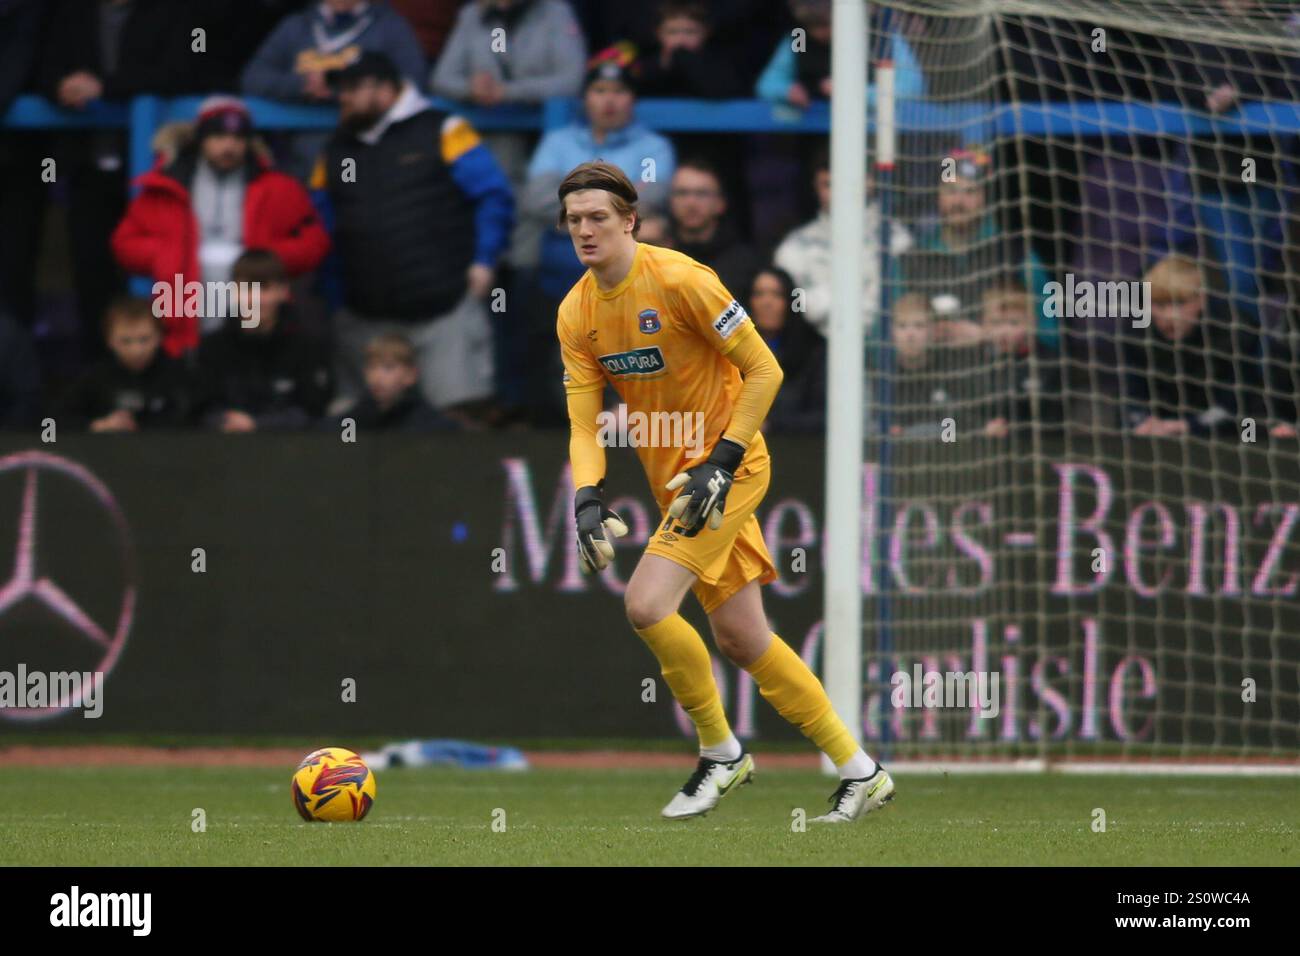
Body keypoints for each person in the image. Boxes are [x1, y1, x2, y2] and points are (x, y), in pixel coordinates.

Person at [556, 160, 893, 823]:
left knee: (647, 604)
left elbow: (764, 368)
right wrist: (587, 496)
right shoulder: (576, 313)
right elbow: (583, 422)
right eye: (573, 221)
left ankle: (720, 752)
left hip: (727, 470)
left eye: (598, 217)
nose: (585, 231)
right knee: (742, 638)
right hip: (675, 482)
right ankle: (863, 771)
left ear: (630, 220)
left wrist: (723, 458)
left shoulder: (682, 279)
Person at [311, 52, 515, 416]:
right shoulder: (336, 149)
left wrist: (485, 260)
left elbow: (493, 196)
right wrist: (333, 298)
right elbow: (322, 223)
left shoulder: (445, 129)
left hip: (443, 310)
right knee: (358, 430)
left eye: (352, 88)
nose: (343, 97)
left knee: (457, 423)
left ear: (385, 89)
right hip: (365, 318)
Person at [111, 96, 331, 356]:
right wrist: (166, 255)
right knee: (188, 372)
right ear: (200, 139)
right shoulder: (167, 186)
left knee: (249, 364)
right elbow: (125, 242)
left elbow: (314, 241)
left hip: (253, 305)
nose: (229, 146)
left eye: (238, 139)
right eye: (218, 137)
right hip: (183, 302)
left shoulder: (279, 187)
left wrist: (269, 261)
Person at [1119, 255, 1267, 438]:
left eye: (1179, 304)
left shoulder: (1235, 331)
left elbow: (1236, 404)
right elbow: (1132, 396)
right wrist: (1141, 421)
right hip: (1163, 432)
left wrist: (1189, 425)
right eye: (1159, 305)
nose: (1169, 316)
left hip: (1230, 431)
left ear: (1201, 299)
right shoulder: (1137, 334)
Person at [773, 147, 911, 339]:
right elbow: (794, 307)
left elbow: (906, 302)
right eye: (828, 185)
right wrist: (824, 302)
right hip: (816, 350)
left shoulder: (896, 238)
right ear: (815, 187)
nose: (837, 193)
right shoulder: (793, 248)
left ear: (868, 182)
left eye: (845, 183)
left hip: (884, 352)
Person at [194, 250, 334, 433]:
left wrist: (258, 425)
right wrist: (226, 422)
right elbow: (198, 412)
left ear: (283, 291)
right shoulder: (212, 348)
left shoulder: (307, 348)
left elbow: (314, 412)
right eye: (248, 289)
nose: (256, 299)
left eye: (264, 288)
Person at [58, 297, 193, 431]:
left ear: (159, 336)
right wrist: (99, 425)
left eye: (144, 339)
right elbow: (56, 419)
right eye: (125, 341)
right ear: (109, 340)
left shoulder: (178, 375)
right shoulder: (95, 377)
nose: (136, 350)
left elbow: (194, 421)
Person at [667, 160, 761, 302]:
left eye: (701, 193)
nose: (691, 202)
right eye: (682, 193)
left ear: (720, 203)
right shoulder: (655, 254)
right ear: (670, 201)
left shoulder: (746, 264)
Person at [746, 266, 824, 434]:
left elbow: (824, 417)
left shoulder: (814, 353)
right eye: (759, 294)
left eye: (777, 294)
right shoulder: (733, 353)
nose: (767, 302)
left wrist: (772, 425)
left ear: (790, 302)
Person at [343, 332, 459, 432]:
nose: (377, 376)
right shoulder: (354, 419)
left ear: (410, 375)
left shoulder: (430, 425)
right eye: (372, 367)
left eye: (388, 367)